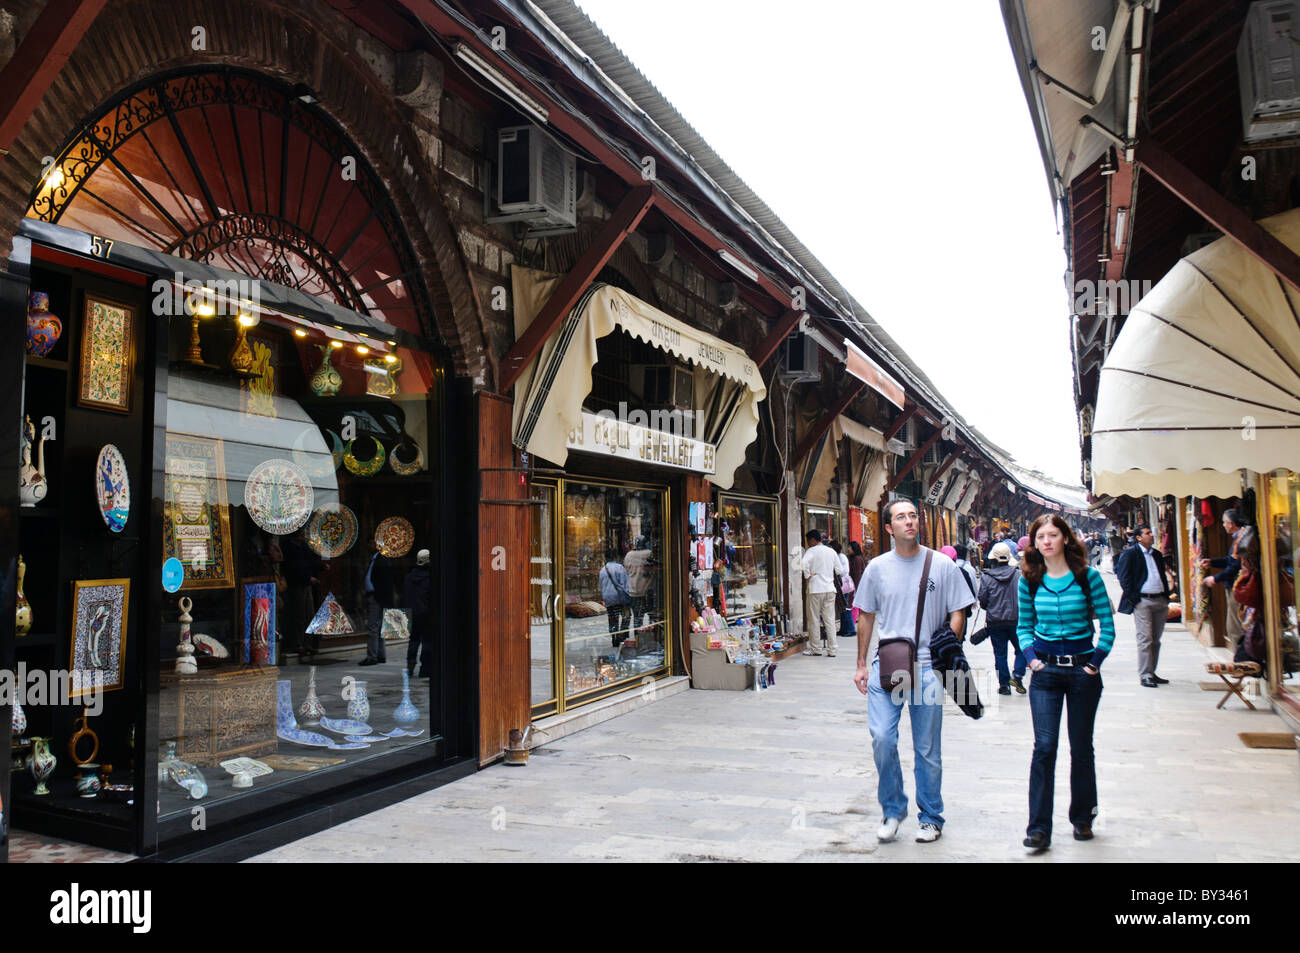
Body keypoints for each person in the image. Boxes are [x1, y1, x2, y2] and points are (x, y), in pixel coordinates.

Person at [852, 499, 975, 844]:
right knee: (882, 738)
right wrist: (862, 664)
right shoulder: (877, 568)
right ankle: (892, 810)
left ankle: (931, 816)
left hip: (926, 669)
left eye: (912, 515)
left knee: (926, 749)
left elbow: (958, 612)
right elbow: (866, 616)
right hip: (887, 665)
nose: (909, 521)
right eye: (900, 517)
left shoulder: (942, 566)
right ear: (889, 528)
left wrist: (950, 643)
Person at [1017, 514, 1116, 853]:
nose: (1046, 541)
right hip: (1045, 674)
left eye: (1053, 535)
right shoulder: (1029, 580)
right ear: (1035, 542)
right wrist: (1031, 659)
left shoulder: (1088, 578)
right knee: (1044, 748)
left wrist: (1094, 663)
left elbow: (1108, 624)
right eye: (1040, 536)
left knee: (1081, 747)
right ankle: (1038, 828)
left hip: (1082, 672)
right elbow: (1023, 627)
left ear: (1065, 539)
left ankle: (1083, 817)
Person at [1115, 524, 1171, 687]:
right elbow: (1124, 577)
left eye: (1151, 532)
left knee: (1156, 639)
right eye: (1147, 533)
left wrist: (1166, 596)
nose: (1151, 535)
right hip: (1143, 601)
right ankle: (1145, 674)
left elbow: (1161, 575)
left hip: (1160, 600)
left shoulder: (1157, 555)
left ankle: (1152, 672)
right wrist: (1134, 599)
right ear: (1139, 538)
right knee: (1145, 638)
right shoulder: (1130, 553)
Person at [979, 542, 1026, 695]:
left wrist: (991, 608)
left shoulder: (986, 577)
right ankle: (1018, 674)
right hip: (1016, 619)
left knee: (1000, 653)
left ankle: (1004, 685)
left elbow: (983, 599)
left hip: (995, 622)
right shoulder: (1018, 575)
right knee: (1022, 649)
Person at [1200, 508, 1247, 652]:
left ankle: (1239, 659)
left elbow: (1234, 566)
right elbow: (1231, 561)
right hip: (1236, 585)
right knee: (1235, 624)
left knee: (1234, 626)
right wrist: (1213, 562)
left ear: (1231, 524)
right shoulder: (1239, 538)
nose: (1223, 525)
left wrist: (1215, 578)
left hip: (1237, 586)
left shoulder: (1241, 539)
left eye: (1224, 522)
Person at [282, 528, 326, 660]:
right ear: (298, 536)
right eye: (303, 535)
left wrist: (321, 566)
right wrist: (308, 577)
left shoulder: (303, 547)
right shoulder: (291, 548)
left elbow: (310, 561)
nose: (306, 537)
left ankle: (308, 643)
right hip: (297, 584)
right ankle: (299, 644)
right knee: (299, 614)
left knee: (309, 613)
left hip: (306, 584)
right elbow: (295, 567)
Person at [801, 529, 840, 656]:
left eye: (808, 541)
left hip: (815, 589)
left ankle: (816, 648)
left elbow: (802, 563)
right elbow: (840, 570)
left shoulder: (811, 551)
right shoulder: (831, 551)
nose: (807, 543)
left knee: (814, 620)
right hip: (829, 589)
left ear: (812, 540)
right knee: (829, 620)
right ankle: (832, 649)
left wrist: (808, 575)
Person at [360, 537, 394, 665]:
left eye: (371, 543)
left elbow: (385, 582)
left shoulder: (381, 560)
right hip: (376, 597)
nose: (369, 545)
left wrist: (377, 597)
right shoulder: (376, 559)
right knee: (378, 627)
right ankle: (380, 655)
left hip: (377, 597)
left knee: (373, 627)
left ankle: (372, 657)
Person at [403, 548, 433, 677]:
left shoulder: (409, 577)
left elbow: (404, 595)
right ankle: (425, 668)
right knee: (426, 641)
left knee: (413, 640)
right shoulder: (429, 577)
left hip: (412, 613)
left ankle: (410, 666)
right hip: (426, 613)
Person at [599, 548, 632, 647]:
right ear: (615, 557)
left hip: (608, 598)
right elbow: (625, 584)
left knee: (613, 618)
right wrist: (628, 597)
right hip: (619, 598)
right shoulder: (619, 568)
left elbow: (601, 586)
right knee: (626, 615)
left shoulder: (603, 570)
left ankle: (614, 637)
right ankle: (621, 635)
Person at [624, 536, 655, 629]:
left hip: (633, 591)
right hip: (646, 590)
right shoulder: (649, 553)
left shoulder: (629, 555)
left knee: (637, 618)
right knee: (651, 616)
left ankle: (638, 637)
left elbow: (626, 569)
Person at [829, 539, 856, 640]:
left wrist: (835, 571)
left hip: (843, 585)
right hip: (838, 585)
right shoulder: (837, 557)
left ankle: (850, 629)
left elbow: (844, 570)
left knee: (845, 607)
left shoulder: (841, 557)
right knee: (841, 608)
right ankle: (844, 628)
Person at [847, 540, 868, 626]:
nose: (848, 549)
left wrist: (856, 588)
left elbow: (857, 575)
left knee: (854, 604)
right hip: (859, 585)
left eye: (849, 547)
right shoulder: (859, 558)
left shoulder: (856, 559)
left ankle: (853, 621)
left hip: (856, 585)